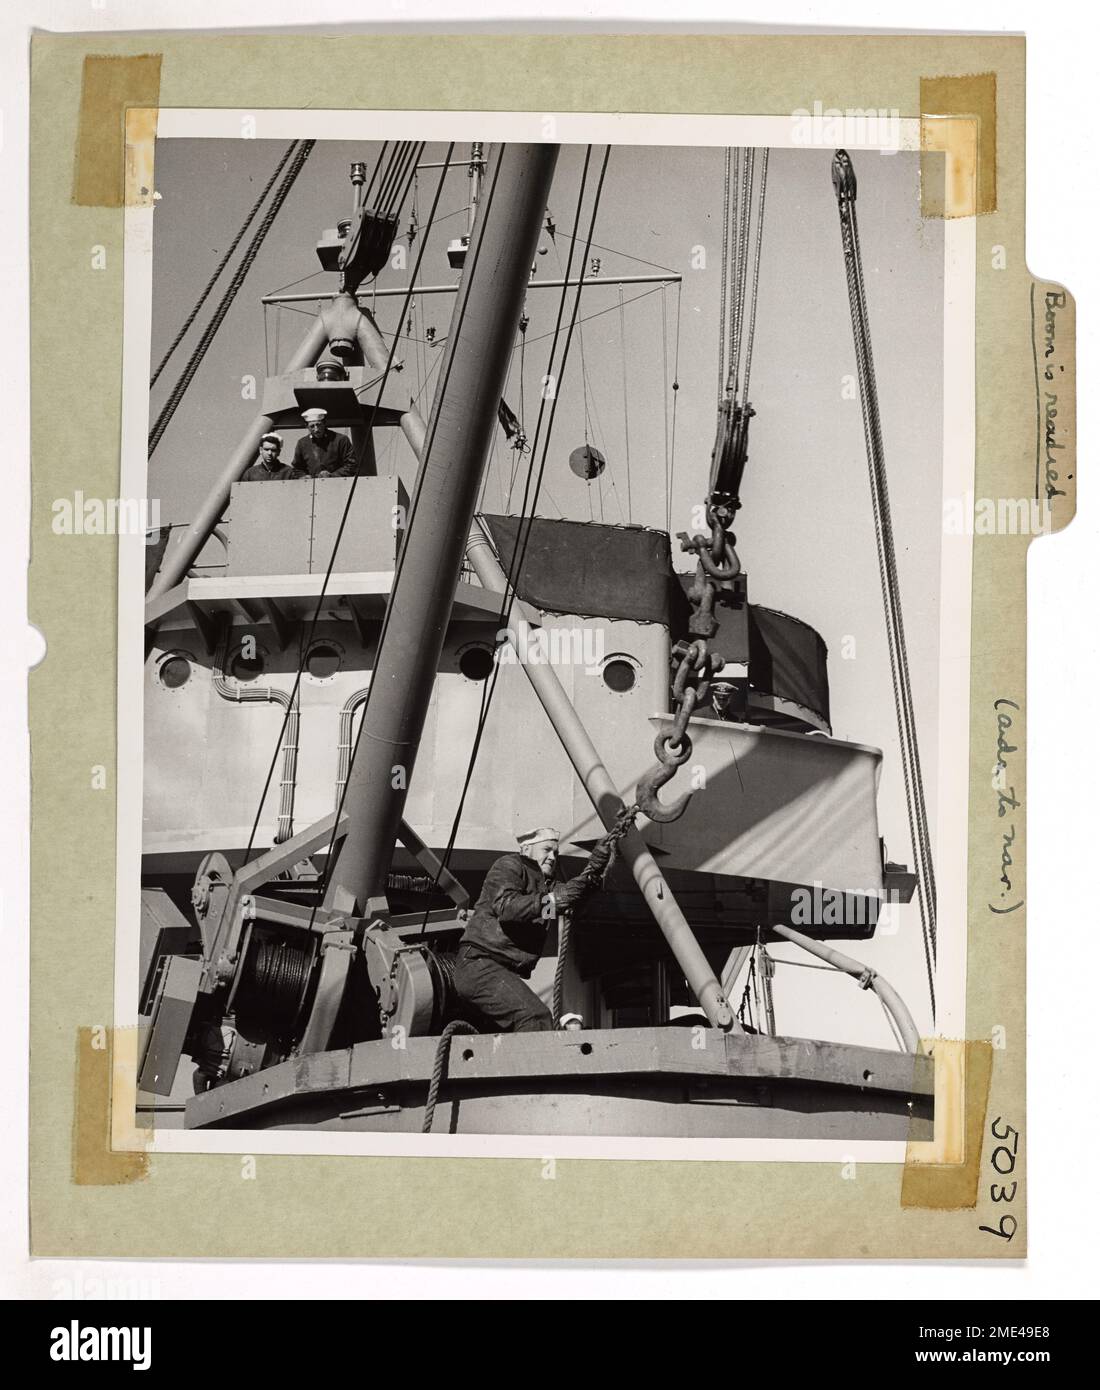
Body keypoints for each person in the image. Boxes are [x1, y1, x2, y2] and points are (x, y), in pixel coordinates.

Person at [452, 826, 614, 1034]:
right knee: (535, 1017)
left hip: (495, 969)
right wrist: (555, 899)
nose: (553, 857)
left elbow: (570, 896)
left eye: (555, 852)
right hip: (479, 964)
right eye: (547, 849)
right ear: (526, 849)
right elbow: (507, 907)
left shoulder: (545, 886)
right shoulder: (509, 865)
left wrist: (594, 871)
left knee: (531, 1020)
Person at [291, 407, 356, 478]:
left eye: (318, 425)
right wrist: (304, 477)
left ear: (324, 423)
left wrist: (332, 476)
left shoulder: (341, 440)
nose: (316, 429)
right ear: (307, 426)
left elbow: (352, 465)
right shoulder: (302, 443)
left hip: (339, 485)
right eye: (312, 426)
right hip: (311, 487)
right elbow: (296, 469)